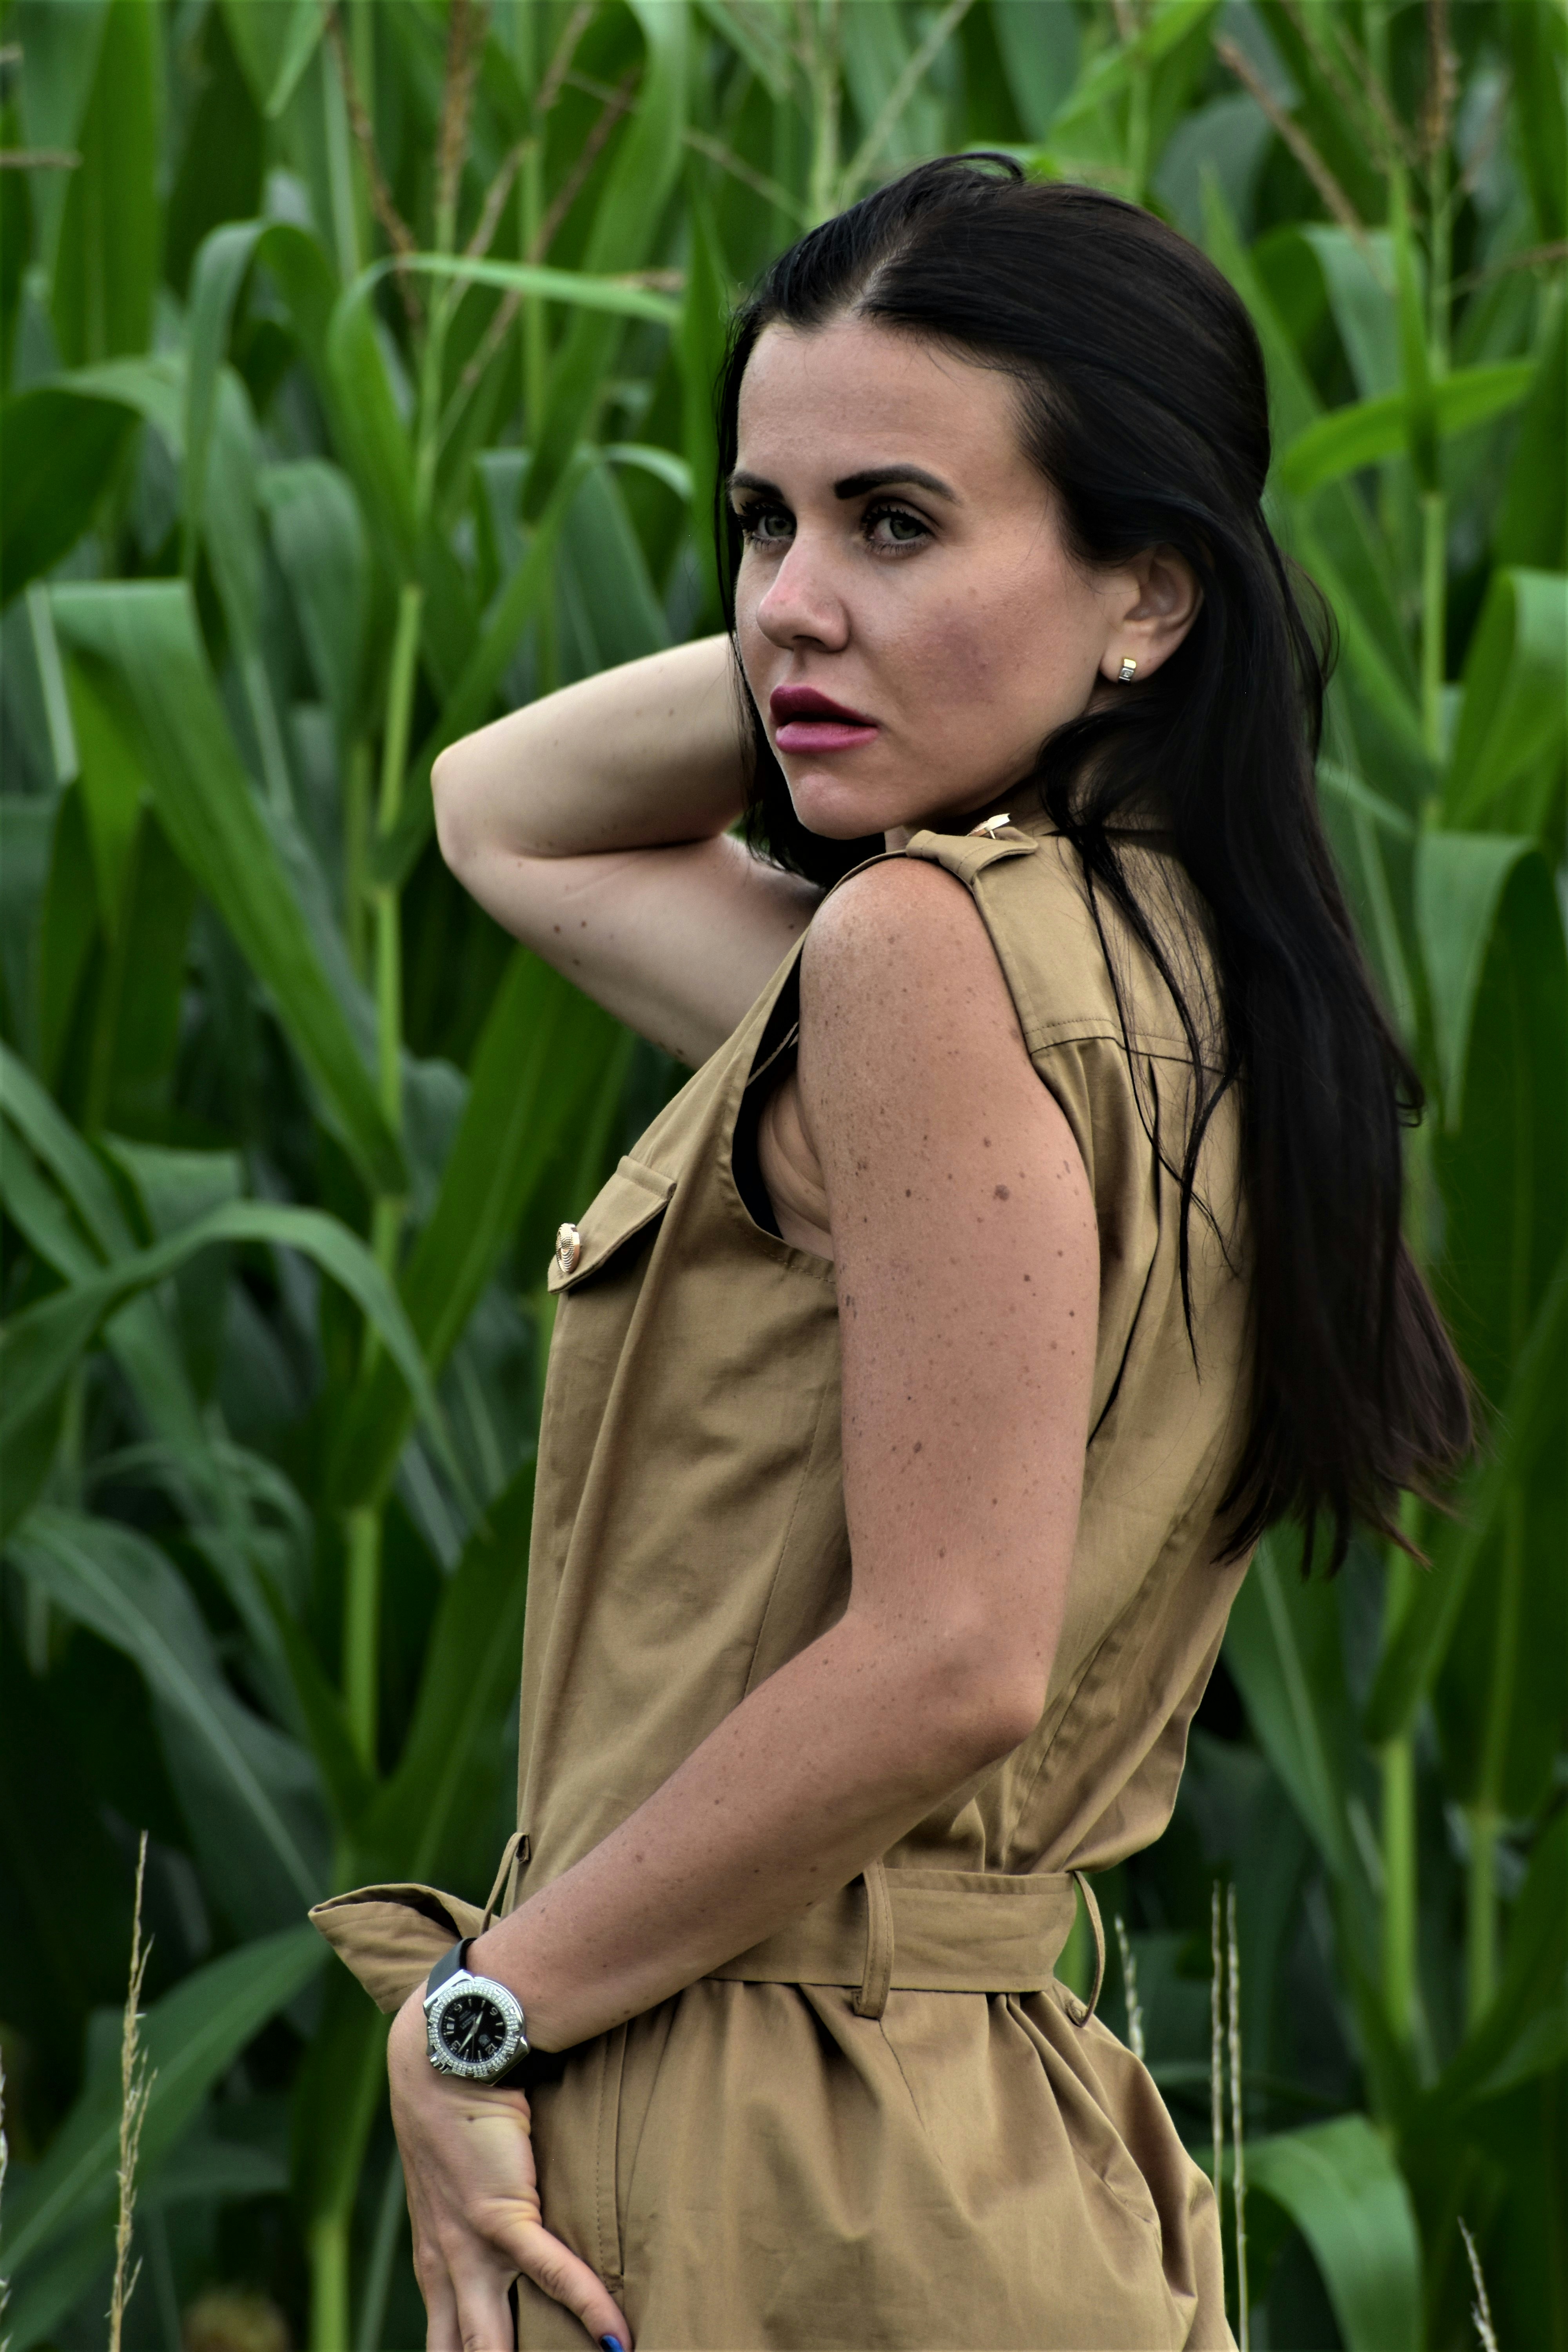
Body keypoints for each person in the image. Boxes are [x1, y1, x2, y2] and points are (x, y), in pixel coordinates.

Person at [311, 159, 1470, 2351]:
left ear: (1153, 594)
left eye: (898, 521)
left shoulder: (921, 958)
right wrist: (873, 643)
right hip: (985, 2153)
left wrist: (480, 2011)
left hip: (764, 2152)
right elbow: (502, 811)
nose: (789, 601)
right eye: (764, 523)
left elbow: (955, 1653)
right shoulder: (1203, 987)